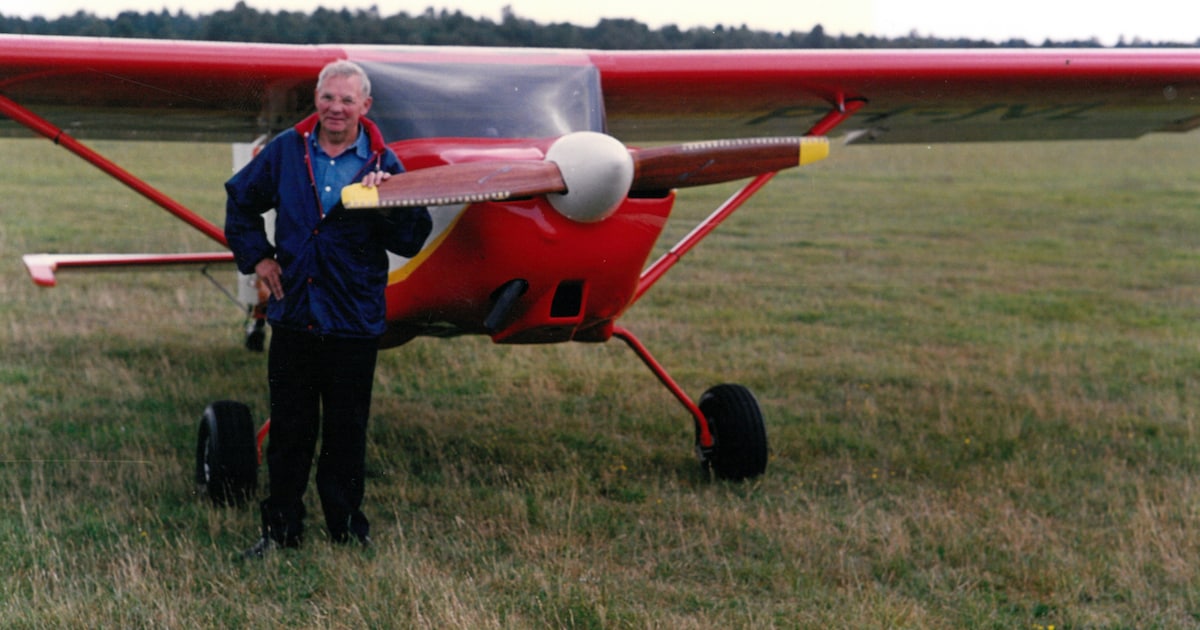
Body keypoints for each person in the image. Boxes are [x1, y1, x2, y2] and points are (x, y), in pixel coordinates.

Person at [225, 60, 431, 558]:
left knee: (346, 432)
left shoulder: (384, 163)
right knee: (290, 430)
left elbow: (412, 237)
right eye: (328, 97)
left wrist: (387, 205)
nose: (336, 108)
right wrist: (259, 258)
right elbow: (240, 201)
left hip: (353, 319)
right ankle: (280, 532)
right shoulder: (286, 152)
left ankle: (346, 529)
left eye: (346, 100)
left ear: (365, 106)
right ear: (316, 100)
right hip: (295, 312)